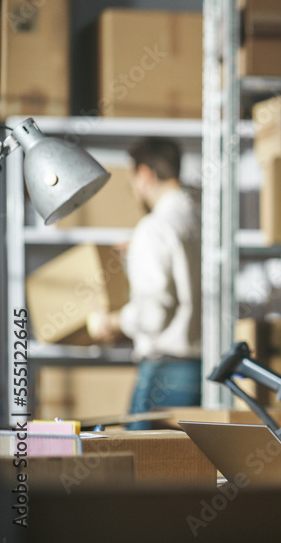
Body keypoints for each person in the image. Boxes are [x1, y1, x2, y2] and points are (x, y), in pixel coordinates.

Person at [87, 137, 202, 429]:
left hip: (165, 370)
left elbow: (154, 313)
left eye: (133, 182)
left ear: (145, 174)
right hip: (200, 366)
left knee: (142, 456)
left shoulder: (153, 229)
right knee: (189, 458)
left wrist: (112, 322)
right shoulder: (200, 219)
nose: (135, 190)